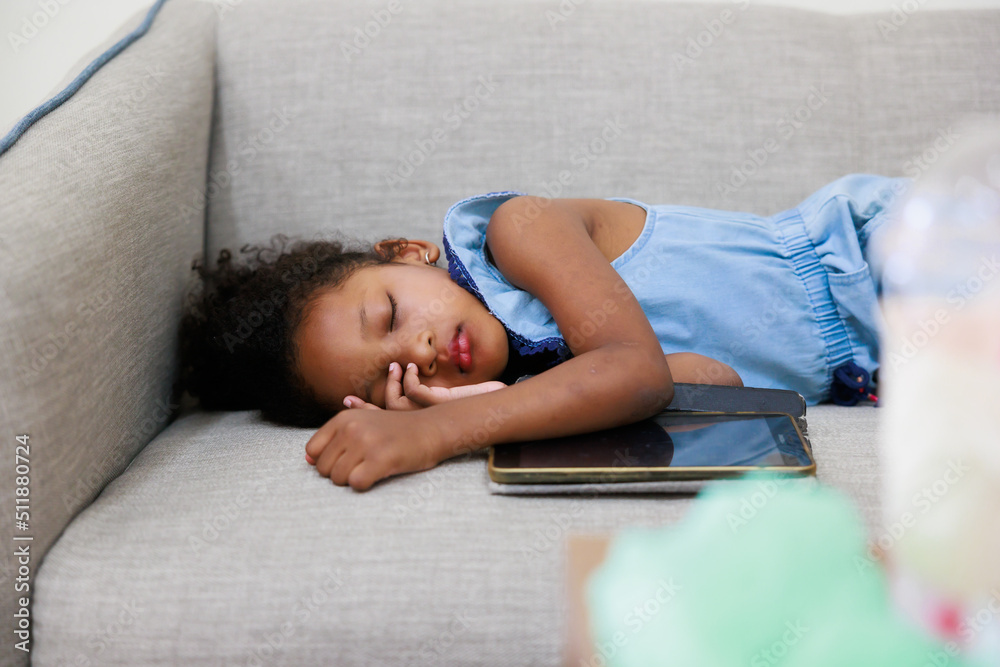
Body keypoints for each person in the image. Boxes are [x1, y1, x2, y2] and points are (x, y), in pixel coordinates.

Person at [175, 173, 908, 491]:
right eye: (389, 378)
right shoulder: (537, 385)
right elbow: (718, 383)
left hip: (887, 262)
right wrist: (501, 406)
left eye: (393, 315)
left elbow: (636, 370)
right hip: (897, 367)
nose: (419, 351)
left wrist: (438, 431)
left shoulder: (519, 230)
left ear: (408, 252)